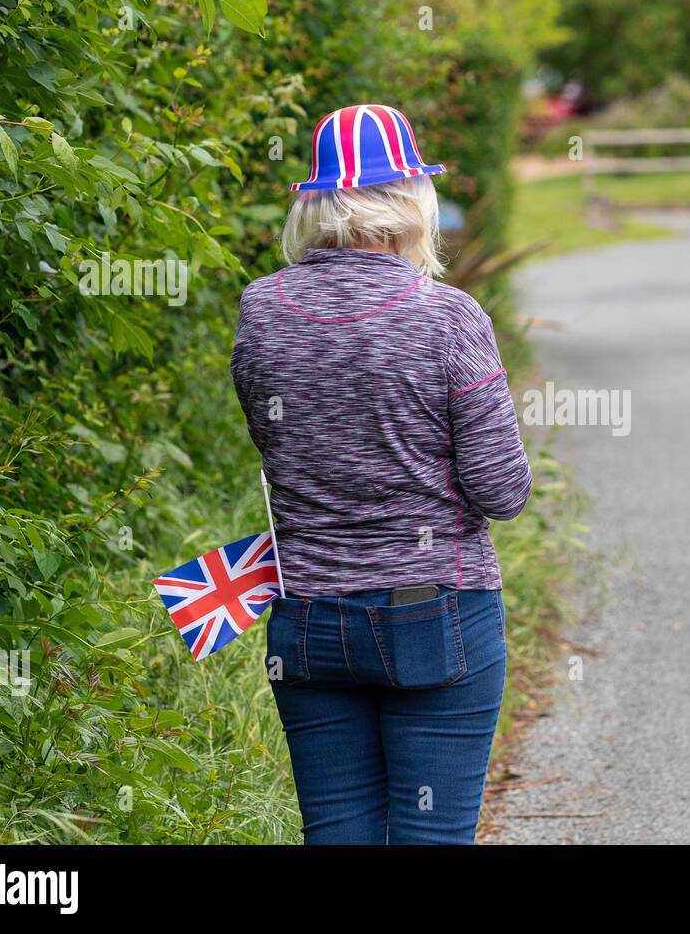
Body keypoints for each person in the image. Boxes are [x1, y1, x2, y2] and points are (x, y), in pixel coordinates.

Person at [230, 104, 532, 844]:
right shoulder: (448, 318)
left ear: (317, 204)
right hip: (436, 614)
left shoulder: (262, 309)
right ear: (410, 205)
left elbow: (273, 445)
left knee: (337, 832)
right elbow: (503, 490)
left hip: (307, 622)